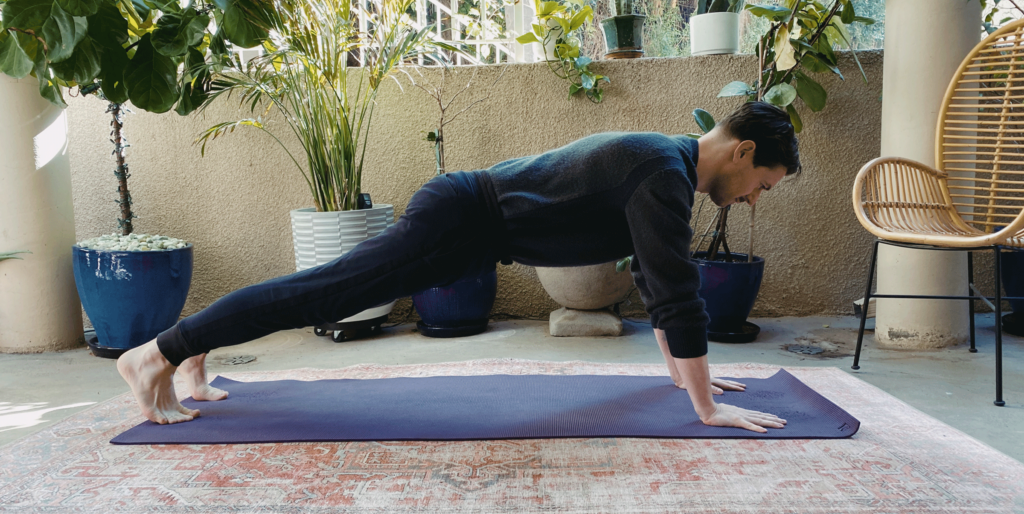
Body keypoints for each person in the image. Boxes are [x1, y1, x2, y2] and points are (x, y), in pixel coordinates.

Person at [117, 100, 800, 433]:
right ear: (740, 152)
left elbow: (657, 282)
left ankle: (193, 356)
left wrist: (690, 383)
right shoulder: (665, 174)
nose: (752, 198)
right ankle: (155, 354)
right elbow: (677, 291)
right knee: (323, 297)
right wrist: (707, 406)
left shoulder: (668, 160)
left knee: (322, 295)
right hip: (461, 217)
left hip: (471, 228)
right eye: (761, 183)